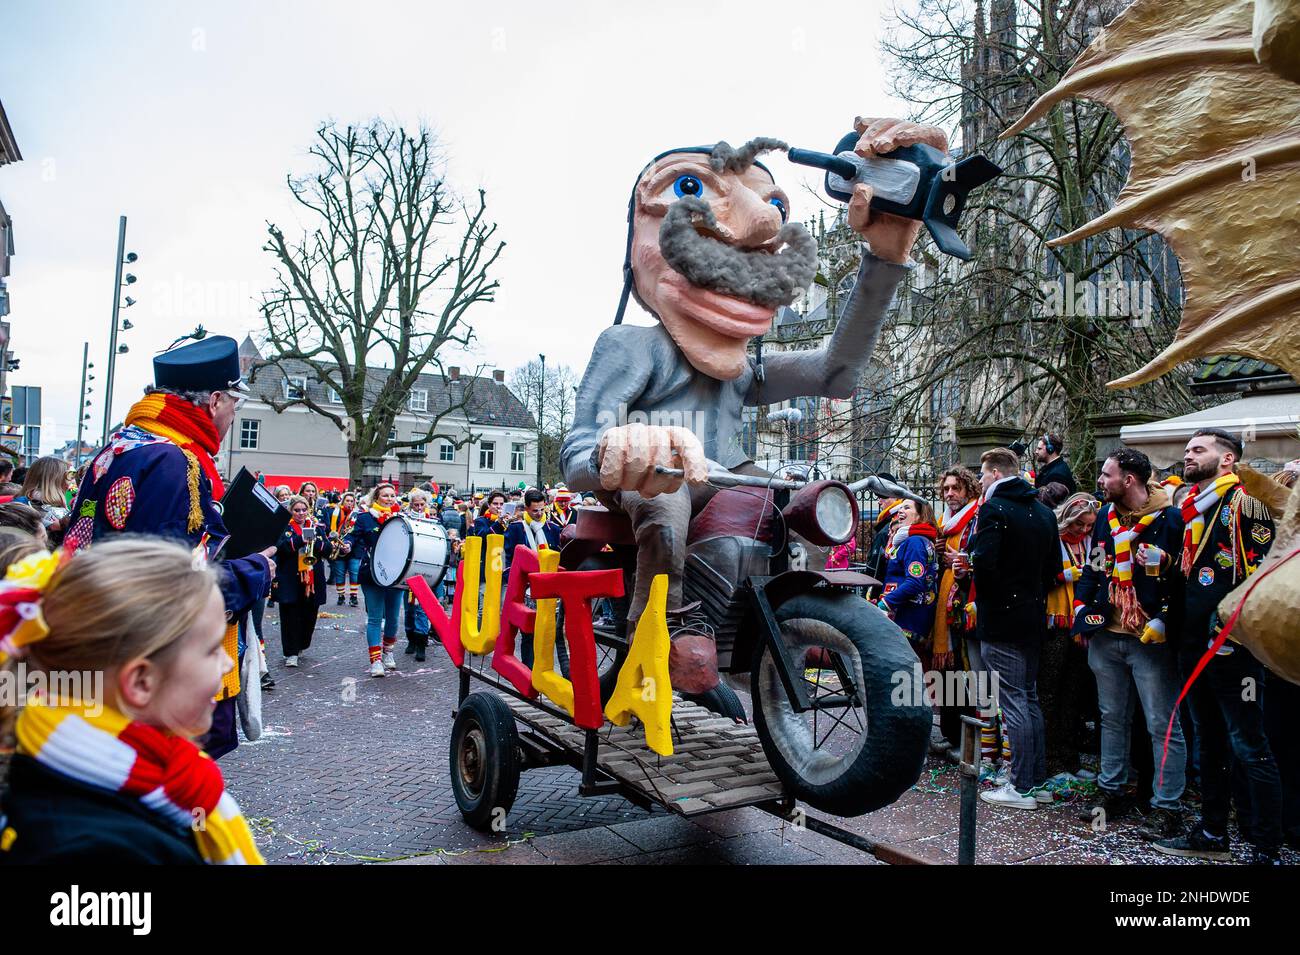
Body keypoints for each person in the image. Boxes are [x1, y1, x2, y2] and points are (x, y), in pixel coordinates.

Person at [560, 118, 943, 688]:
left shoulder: (741, 368)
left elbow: (836, 371)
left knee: (796, 508)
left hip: (725, 473)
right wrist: (622, 450)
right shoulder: (631, 345)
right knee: (665, 512)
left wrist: (885, 257)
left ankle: (793, 616)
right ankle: (656, 636)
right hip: (658, 477)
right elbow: (578, 454)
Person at [66, 335, 272, 760]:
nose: (235, 415)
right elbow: (169, 592)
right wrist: (256, 570)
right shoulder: (174, 461)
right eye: (235, 403)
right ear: (215, 400)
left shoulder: (122, 446)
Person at [0, 539, 265, 864]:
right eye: (212, 650)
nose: (227, 663)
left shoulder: (69, 772)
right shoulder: (98, 851)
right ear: (141, 682)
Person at [1155, 428, 1283, 864]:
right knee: (1209, 743)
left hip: (1234, 652)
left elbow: (1263, 572)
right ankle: (1212, 833)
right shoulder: (1192, 508)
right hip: (1193, 648)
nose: (1187, 455)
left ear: (1227, 460)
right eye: (1187, 449)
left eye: (1198, 449)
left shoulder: (1244, 503)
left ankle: (1266, 845)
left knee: (1250, 746)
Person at [1072, 448, 1187, 840]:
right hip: (1107, 633)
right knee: (1112, 718)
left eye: (1106, 476)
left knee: (1161, 723)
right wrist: (1083, 607)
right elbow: (1097, 564)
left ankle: (1167, 806)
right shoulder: (1106, 517)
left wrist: (1164, 619)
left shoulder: (1170, 517)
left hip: (1148, 638)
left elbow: (1182, 577)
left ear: (1130, 480)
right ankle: (1112, 791)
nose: (1100, 482)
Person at [971, 447, 1059, 810]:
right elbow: (1053, 567)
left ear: (994, 474)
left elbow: (985, 563)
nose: (978, 480)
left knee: (1014, 701)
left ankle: (1020, 787)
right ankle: (1037, 781)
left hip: (1003, 619)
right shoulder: (1042, 511)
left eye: (981, 473)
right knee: (1029, 697)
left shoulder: (995, 509)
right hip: (1033, 616)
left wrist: (975, 574)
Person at [1040, 491, 1099, 778]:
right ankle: (1051, 760)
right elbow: (1038, 574)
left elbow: (1099, 572)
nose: (1084, 530)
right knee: (1050, 690)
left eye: (1089, 526)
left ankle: (1070, 757)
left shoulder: (1092, 543)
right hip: (1054, 621)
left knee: (1073, 691)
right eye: (1080, 525)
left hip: (1081, 623)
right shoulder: (1051, 538)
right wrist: (1066, 575)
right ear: (1068, 519)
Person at [931, 466, 981, 754]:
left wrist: (962, 563)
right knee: (949, 673)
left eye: (956, 488)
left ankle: (970, 743)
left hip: (966, 605)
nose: (950, 494)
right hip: (945, 606)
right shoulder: (944, 522)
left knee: (969, 676)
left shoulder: (975, 518)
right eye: (947, 489)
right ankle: (951, 734)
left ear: (969, 490)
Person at [346, 483, 405, 677]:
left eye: (392, 495)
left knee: (393, 618)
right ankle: (376, 661)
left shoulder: (401, 519)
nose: (389, 499)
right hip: (372, 573)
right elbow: (352, 536)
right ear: (376, 498)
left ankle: (388, 652)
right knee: (375, 617)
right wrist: (347, 544)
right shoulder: (365, 518)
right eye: (385, 495)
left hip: (396, 574)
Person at [274, 495, 330, 668]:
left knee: (309, 616)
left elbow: (327, 549)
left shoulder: (315, 526)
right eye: (297, 510)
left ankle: (301, 644)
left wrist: (318, 543)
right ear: (291, 511)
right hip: (291, 577)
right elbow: (280, 549)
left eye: (304, 510)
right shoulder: (284, 527)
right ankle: (290, 652)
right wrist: (300, 540)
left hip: (312, 579)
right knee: (290, 616)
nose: (301, 513)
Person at [876, 499, 940, 647]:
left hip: (908, 618)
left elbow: (914, 582)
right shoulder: (915, 540)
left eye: (907, 508)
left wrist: (884, 604)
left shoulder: (915, 542)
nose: (900, 511)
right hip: (905, 615)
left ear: (919, 516)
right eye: (900, 507)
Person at [401, 488, 432, 662]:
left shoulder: (433, 520)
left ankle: (421, 643)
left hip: (427, 569)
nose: (419, 508)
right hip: (409, 569)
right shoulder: (406, 520)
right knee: (410, 608)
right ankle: (411, 639)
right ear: (411, 504)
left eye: (422, 504)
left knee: (423, 609)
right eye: (416, 504)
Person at [15, 457, 72, 546]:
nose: (71, 482)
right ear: (56, 480)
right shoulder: (22, 504)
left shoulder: (59, 504)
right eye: (69, 476)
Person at [327, 491, 360, 606]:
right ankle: (341, 596)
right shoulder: (334, 512)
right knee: (340, 573)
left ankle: (353, 596)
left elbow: (359, 533)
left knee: (354, 572)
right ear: (343, 501)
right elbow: (329, 528)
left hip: (353, 549)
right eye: (347, 500)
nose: (349, 503)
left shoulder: (358, 515)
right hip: (337, 546)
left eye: (352, 501)